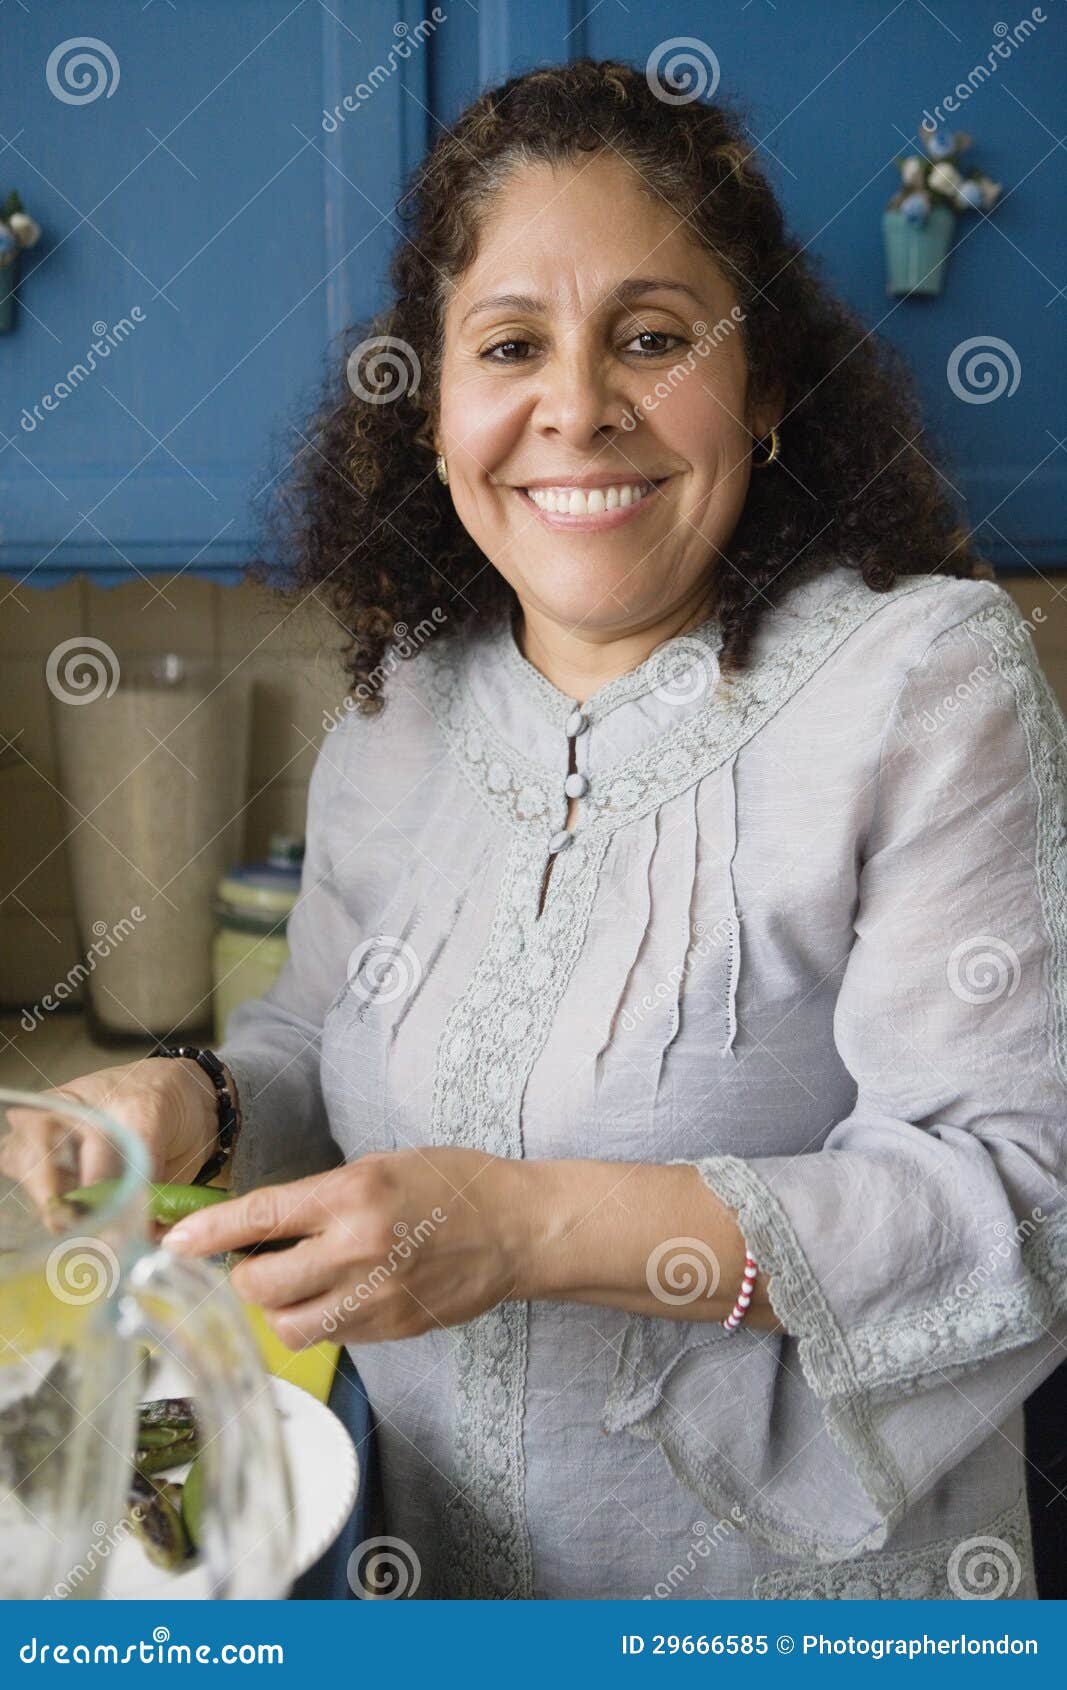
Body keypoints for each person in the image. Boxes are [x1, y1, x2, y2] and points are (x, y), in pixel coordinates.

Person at [15, 60, 1066, 1600]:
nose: (576, 406)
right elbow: (319, 1050)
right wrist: (193, 1105)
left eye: (653, 337)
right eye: (510, 345)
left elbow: (1018, 1201)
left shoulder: (924, 683)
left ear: (765, 386)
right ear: (434, 409)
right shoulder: (401, 709)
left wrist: (520, 1226)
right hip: (435, 1581)